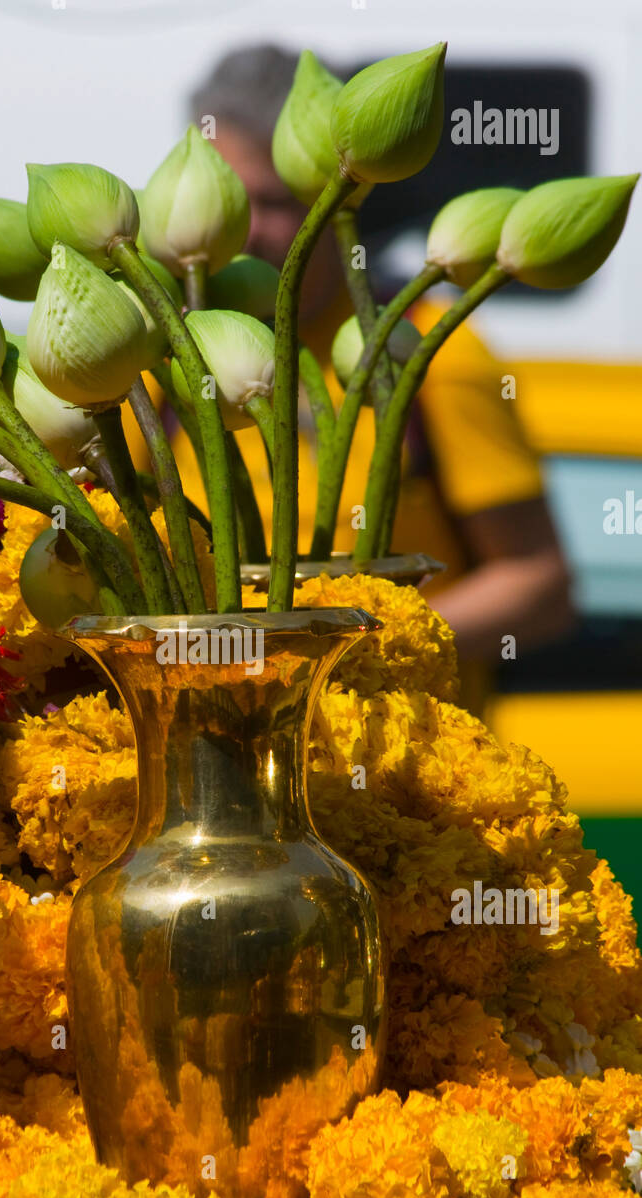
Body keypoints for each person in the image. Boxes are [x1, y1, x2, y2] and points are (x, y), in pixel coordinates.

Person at [136, 43, 575, 711]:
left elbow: (538, 585)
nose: (244, 231)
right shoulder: (162, 355)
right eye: (222, 197)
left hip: (397, 768)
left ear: (347, 194)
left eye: (274, 201)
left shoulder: (429, 350)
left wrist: (347, 658)